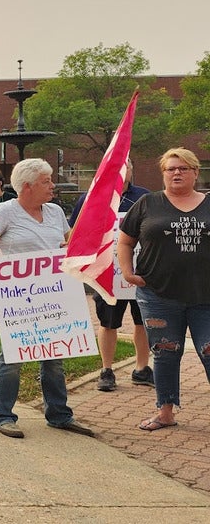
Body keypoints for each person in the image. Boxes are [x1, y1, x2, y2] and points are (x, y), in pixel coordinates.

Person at [0, 158, 95, 439]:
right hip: (19, 299)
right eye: (46, 181)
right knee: (13, 355)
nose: (52, 186)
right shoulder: (4, 212)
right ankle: (3, 416)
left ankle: (59, 415)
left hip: (54, 294)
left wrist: (69, 247)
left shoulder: (54, 211)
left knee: (54, 356)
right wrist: (3, 277)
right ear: (27, 187)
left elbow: (66, 242)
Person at [118, 148, 210, 432]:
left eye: (183, 168)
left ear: (195, 172)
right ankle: (165, 411)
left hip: (205, 296)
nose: (177, 173)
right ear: (163, 174)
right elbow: (125, 241)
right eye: (171, 169)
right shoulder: (147, 203)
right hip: (158, 295)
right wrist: (127, 272)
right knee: (165, 351)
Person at [68, 158, 152, 392]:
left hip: (140, 272)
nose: (123, 171)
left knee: (141, 321)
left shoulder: (145, 197)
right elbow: (76, 234)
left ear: (132, 171)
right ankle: (106, 370)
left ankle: (142, 368)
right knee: (108, 322)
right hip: (107, 273)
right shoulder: (91, 197)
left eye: (127, 167)